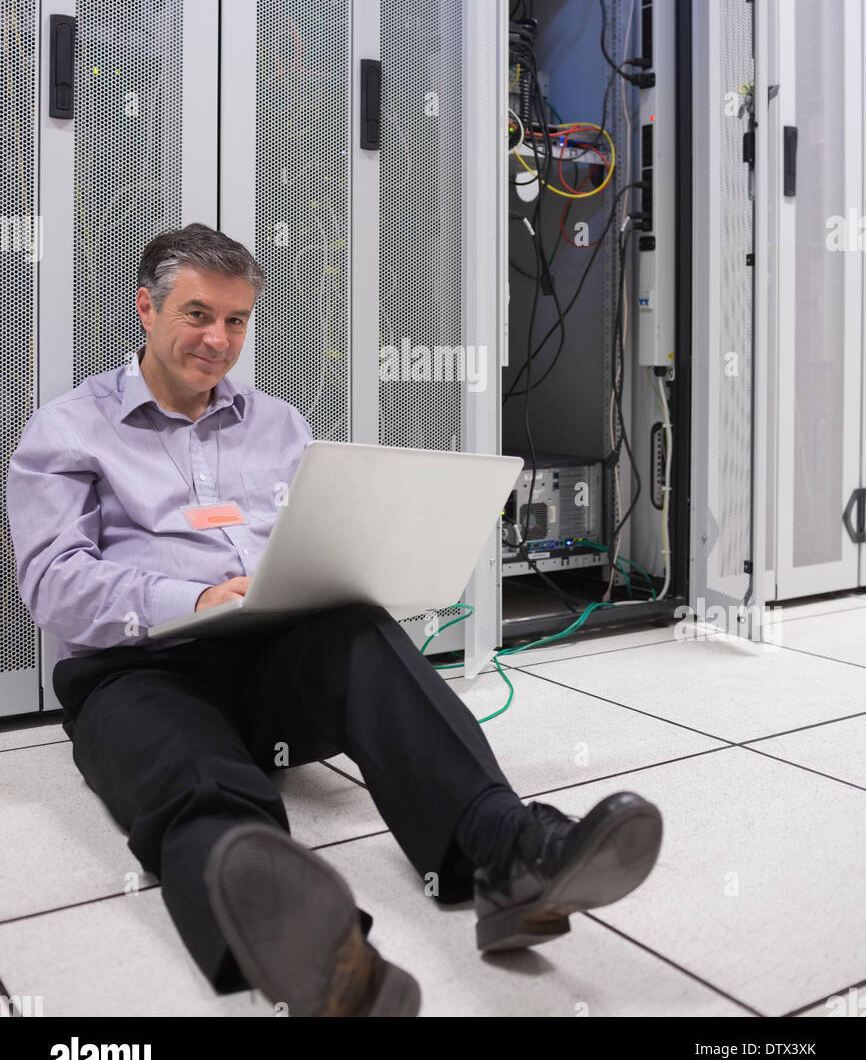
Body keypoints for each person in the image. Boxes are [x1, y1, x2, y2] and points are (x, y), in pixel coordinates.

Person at [6, 222, 663, 1017]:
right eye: (197, 315)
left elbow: (318, 536)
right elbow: (52, 584)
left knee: (358, 629)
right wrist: (194, 599)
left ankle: (509, 856)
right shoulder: (68, 430)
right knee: (195, 782)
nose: (218, 340)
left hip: (270, 656)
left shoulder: (279, 424)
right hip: (136, 670)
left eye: (237, 321)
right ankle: (317, 956)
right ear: (144, 308)